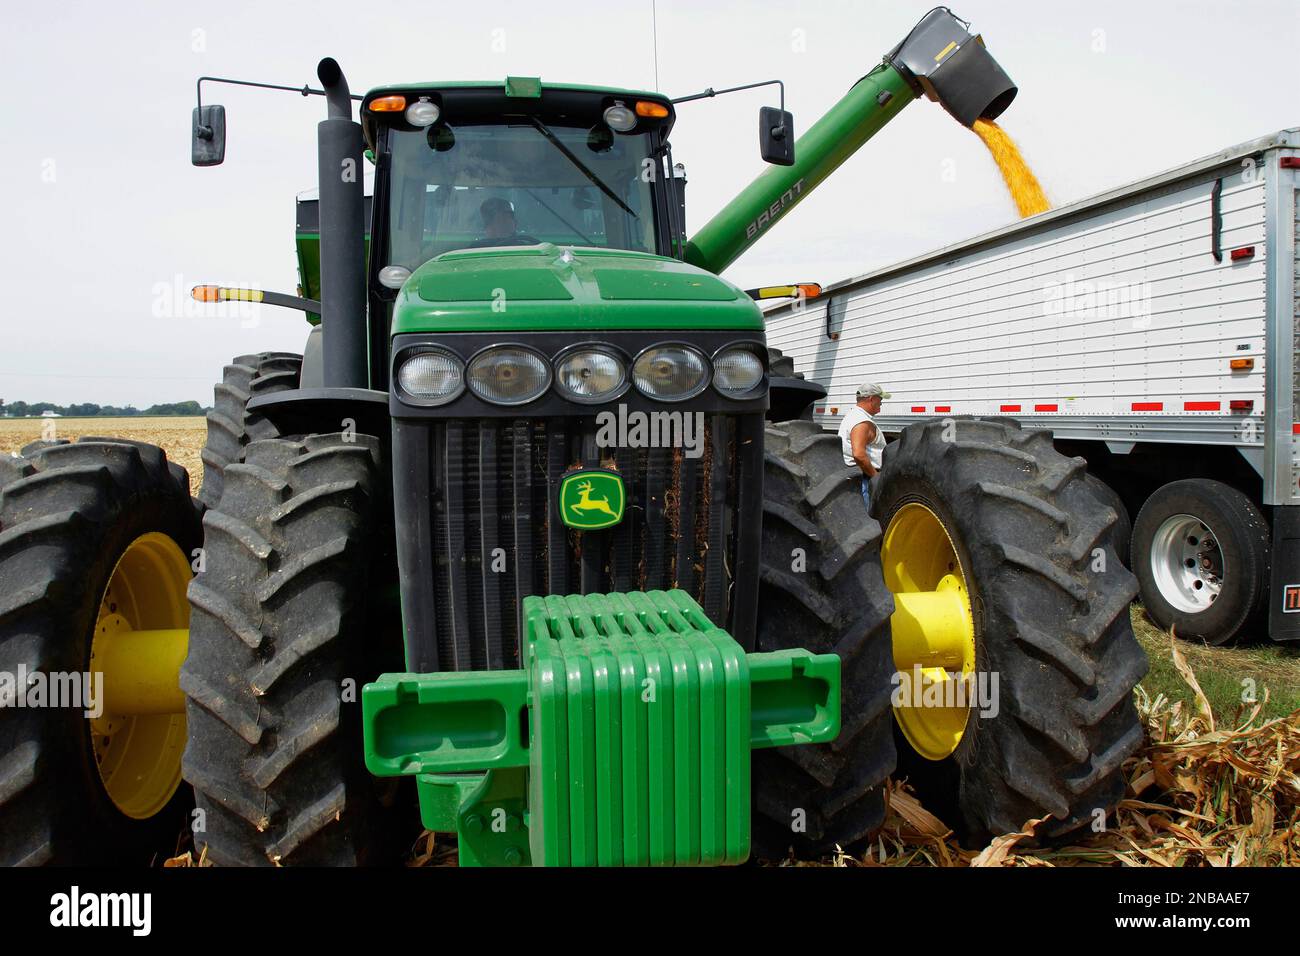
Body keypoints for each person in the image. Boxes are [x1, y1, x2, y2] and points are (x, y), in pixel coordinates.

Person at [838, 383, 890, 512]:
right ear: (871, 399)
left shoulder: (853, 416)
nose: (881, 403)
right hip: (865, 478)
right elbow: (859, 455)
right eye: (880, 399)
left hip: (859, 475)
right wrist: (875, 477)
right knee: (870, 517)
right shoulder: (862, 422)